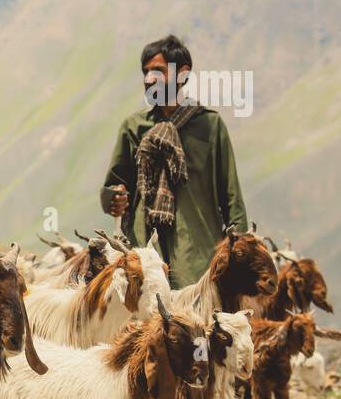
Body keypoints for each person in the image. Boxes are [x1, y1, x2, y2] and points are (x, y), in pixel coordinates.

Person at [99, 34, 249, 288]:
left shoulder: (210, 126)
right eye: (145, 72)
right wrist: (113, 198)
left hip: (197, 256)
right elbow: (113, 186)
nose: (148, 79)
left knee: (196, 324)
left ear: (182, 74)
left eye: (157, 71)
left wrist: (239, 248)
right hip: (145, 254)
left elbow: (231, 195)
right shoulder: (134, 127)